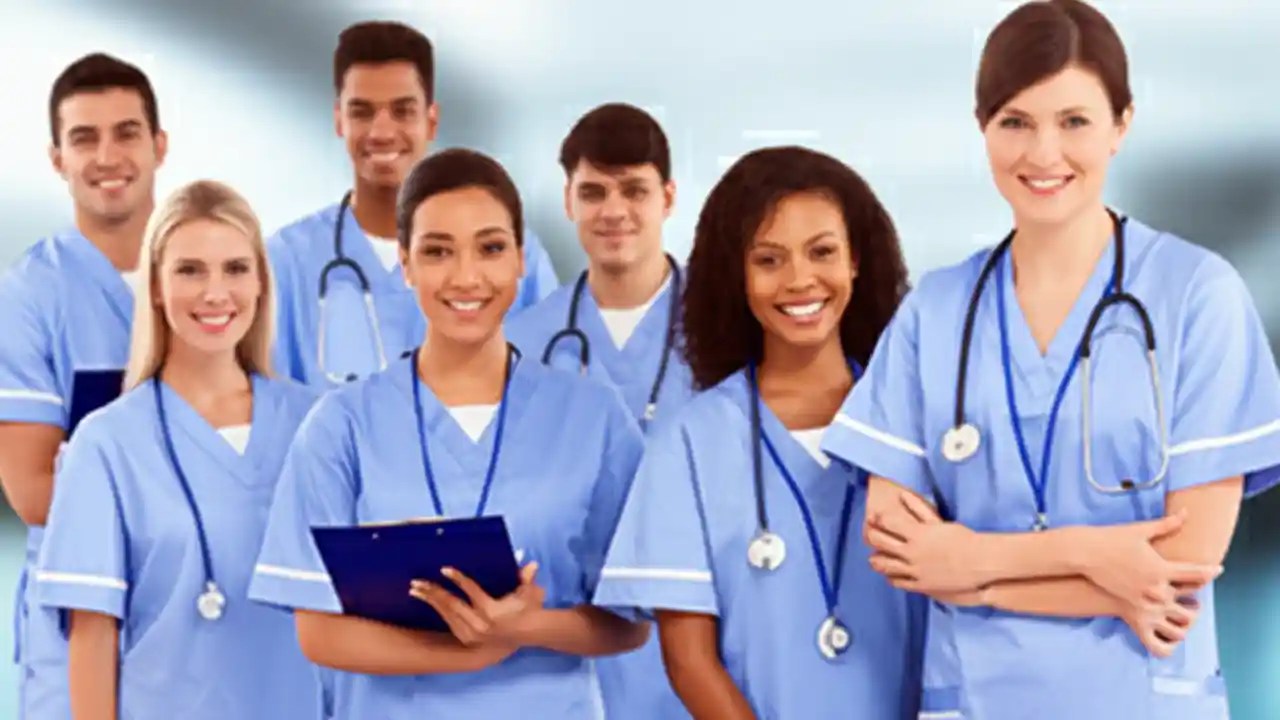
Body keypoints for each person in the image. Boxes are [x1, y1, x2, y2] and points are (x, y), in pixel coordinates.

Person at [819, 1, 1280, 717]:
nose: (1042, 154)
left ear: (1122, 125)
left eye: (1074, 122)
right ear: (983, 129)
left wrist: (975, 566)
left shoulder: (1197, 295)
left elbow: (1182, 566)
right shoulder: (936, 312)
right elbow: (899, 544)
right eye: (1015, 122)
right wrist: (1098, 558)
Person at [249, 148, 651, 718]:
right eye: (437, 251)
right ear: (406, 265)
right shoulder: (343, 424)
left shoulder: (593, 416)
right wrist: (470, 652)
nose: (466, 277)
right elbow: (318, 633)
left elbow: (629, 622)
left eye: (490, 248)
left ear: (520, 260)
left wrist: (529, 624)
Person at [593, 145, 926, 719]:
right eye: (768, 260)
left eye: (822, 252)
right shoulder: (692, 442)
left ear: (856, 261)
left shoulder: (913, 419)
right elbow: (688, 658)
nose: (800, 280)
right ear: (737, 276)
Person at [34, 180, 324, 719]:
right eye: (190, 270)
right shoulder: (106, 444)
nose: (215, 292)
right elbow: (92, 639)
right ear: (158, 287)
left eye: (236, 268)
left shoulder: (319, 427)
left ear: (261, 281)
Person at [505, 102, 694, 719]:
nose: (612, 211)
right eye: (593, 191)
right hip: (561, 656)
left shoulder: (727, 334)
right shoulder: (521, 345)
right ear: (567, 202)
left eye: (634, 190)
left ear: (667, 197)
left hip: (697, 644)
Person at [0, 52, 167, 719]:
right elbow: (35, 491)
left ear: (159, 146)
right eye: (84, 138)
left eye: (127, 133)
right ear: (57, 158)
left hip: (200, 621)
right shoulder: (31, 297)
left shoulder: (210, 280)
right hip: (80, 616)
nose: (108, 156)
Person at [268, 20, 559, 388]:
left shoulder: (516, 255)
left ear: (431, 121)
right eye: (362, 112)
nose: (382, 132)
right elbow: (268, 406)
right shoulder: (288, 261)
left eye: (403, 111)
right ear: (339, 120)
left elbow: (549, 398)